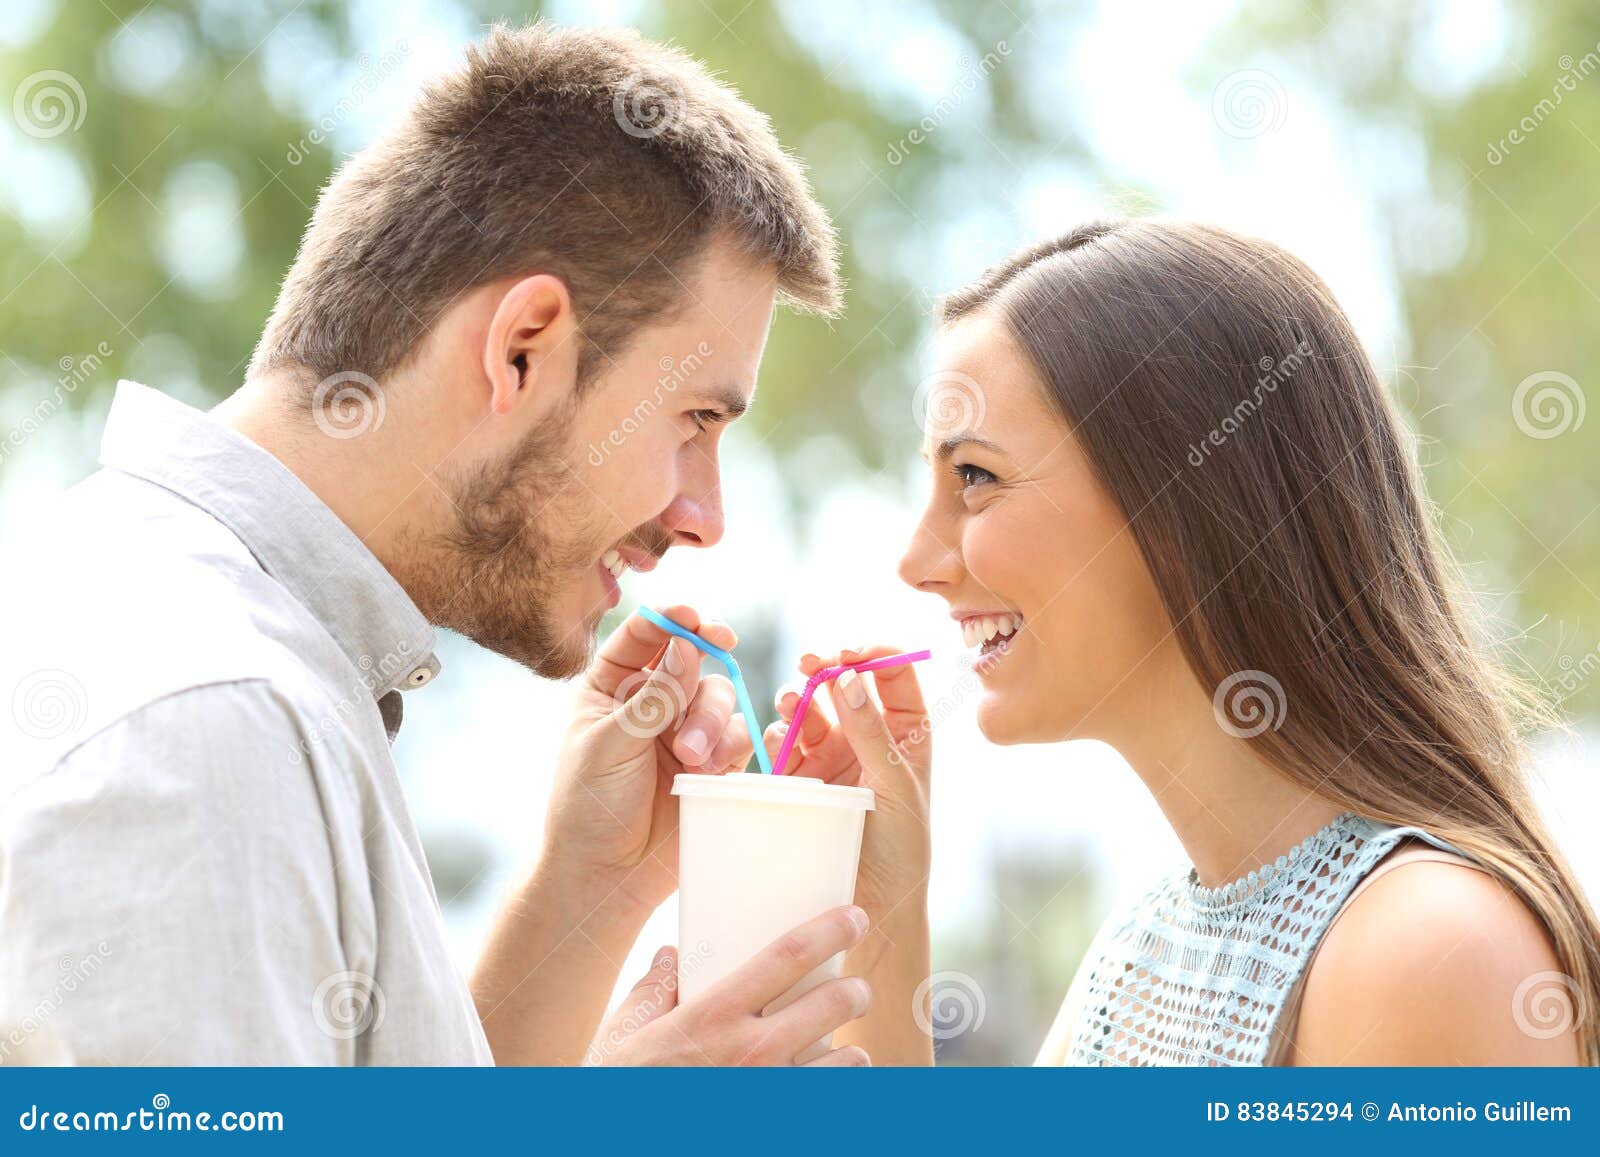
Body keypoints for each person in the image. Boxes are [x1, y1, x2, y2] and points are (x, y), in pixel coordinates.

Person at [0, 23, 874, 1067]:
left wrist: (587, 891)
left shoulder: (222, 653)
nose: (705, 516)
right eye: (695, 419)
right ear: (522, 350)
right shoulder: (208, 725)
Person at [774, 219, 1599, 1066]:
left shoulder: (1429, 950)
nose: (916, 560)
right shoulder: (1138, 952)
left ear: (1181, 506)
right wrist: (883, 903)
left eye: (975, 476)